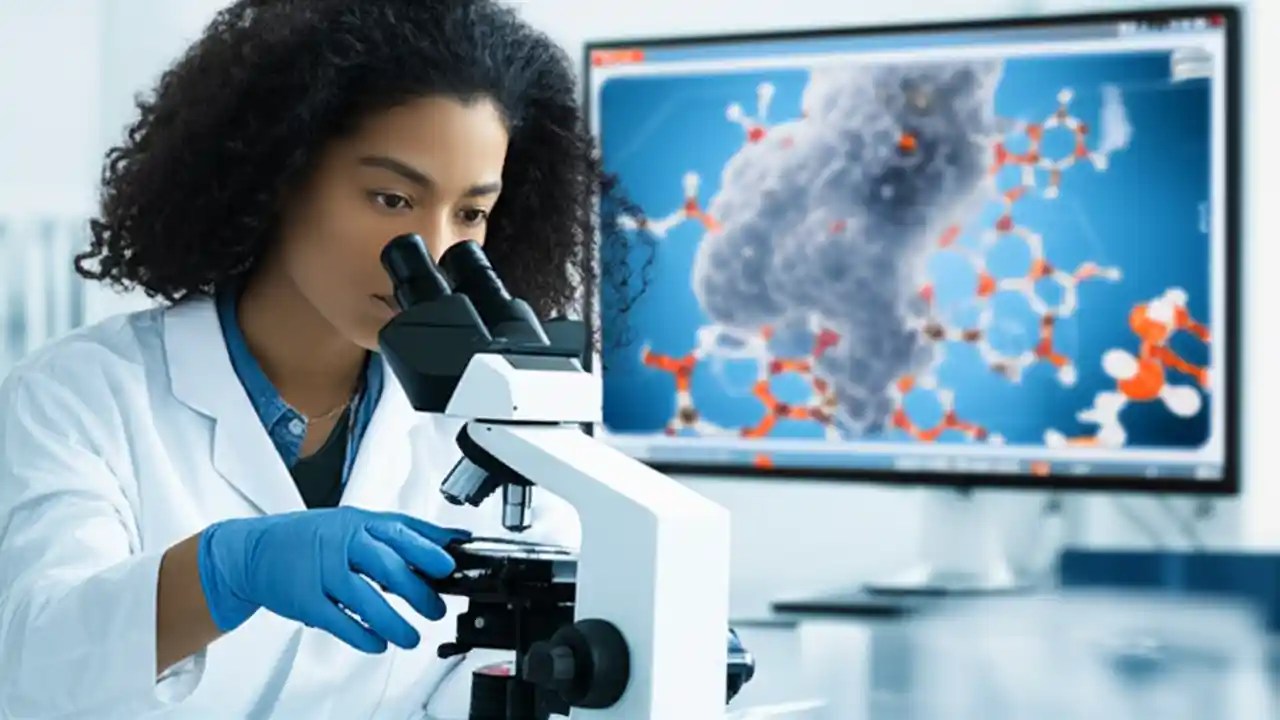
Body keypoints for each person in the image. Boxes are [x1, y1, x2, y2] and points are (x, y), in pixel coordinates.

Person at [0, 1, 648, 717]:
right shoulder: (77, 398)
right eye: (393, 198)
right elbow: (32, 665)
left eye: (469, 214)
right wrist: (225, 570)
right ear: (280, 174)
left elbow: (490, 672)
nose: (434, 252)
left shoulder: (480, 420)